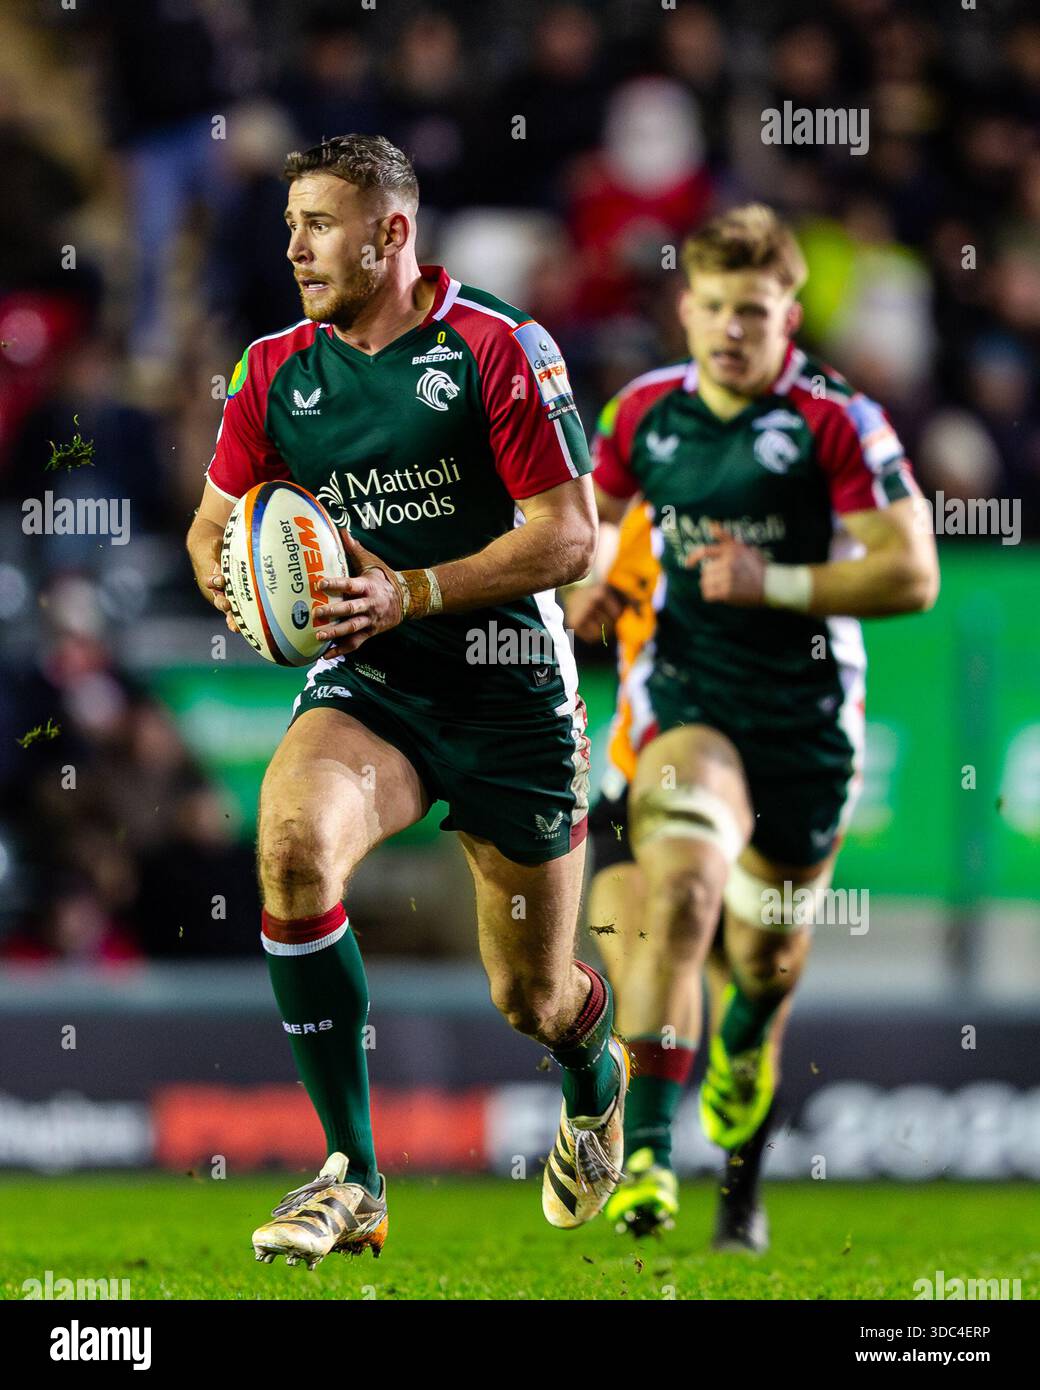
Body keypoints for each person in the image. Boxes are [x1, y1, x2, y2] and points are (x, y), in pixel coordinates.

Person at [185, 134, 629, 1268]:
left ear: (392, 232)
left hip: (511, 696)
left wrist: (411, 587)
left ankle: (593, 1077)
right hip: (372, 683)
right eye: (288, 223)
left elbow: (569, 536)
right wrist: (247, 597)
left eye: (318, 223)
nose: (292, 247)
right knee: (290, 845)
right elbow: (208, 527)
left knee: (529, 997)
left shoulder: (495, 345)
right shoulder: (272, 366)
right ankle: (353, 1175)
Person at [570, 204, 939, 1248]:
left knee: (764, 962)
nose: (731, 327)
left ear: (788, 314)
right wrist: (592, 585)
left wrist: (768, 579)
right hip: (687, 703)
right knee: (673, 893)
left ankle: (741, 1060)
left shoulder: (836, 417)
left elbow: (913, 573)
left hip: (806, 727)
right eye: (713, 307)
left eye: (754, 309)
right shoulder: (639, 413)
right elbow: (586, 529)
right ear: (685, 310)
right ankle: (644, 1159)